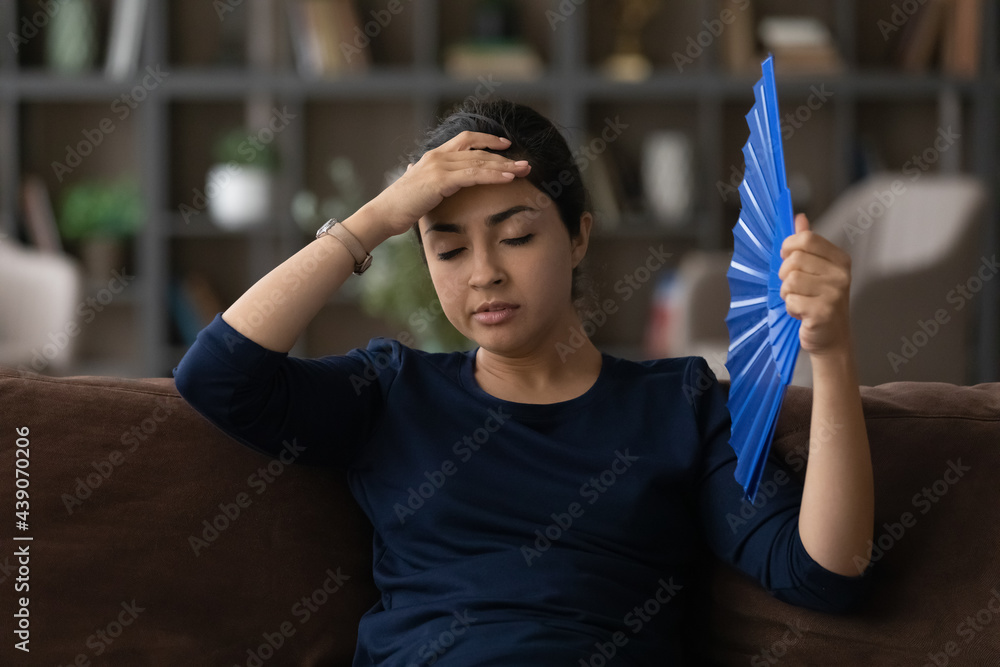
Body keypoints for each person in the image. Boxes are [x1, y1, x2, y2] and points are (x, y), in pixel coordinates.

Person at [173, 98, 874, 665]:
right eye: (447, 247)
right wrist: (375, 219)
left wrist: (833, 350)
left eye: (515, 236)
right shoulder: (391, 393)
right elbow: (218, 375)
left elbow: (823, 572)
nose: (483, 273)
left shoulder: (680, 403)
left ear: (578, 237)